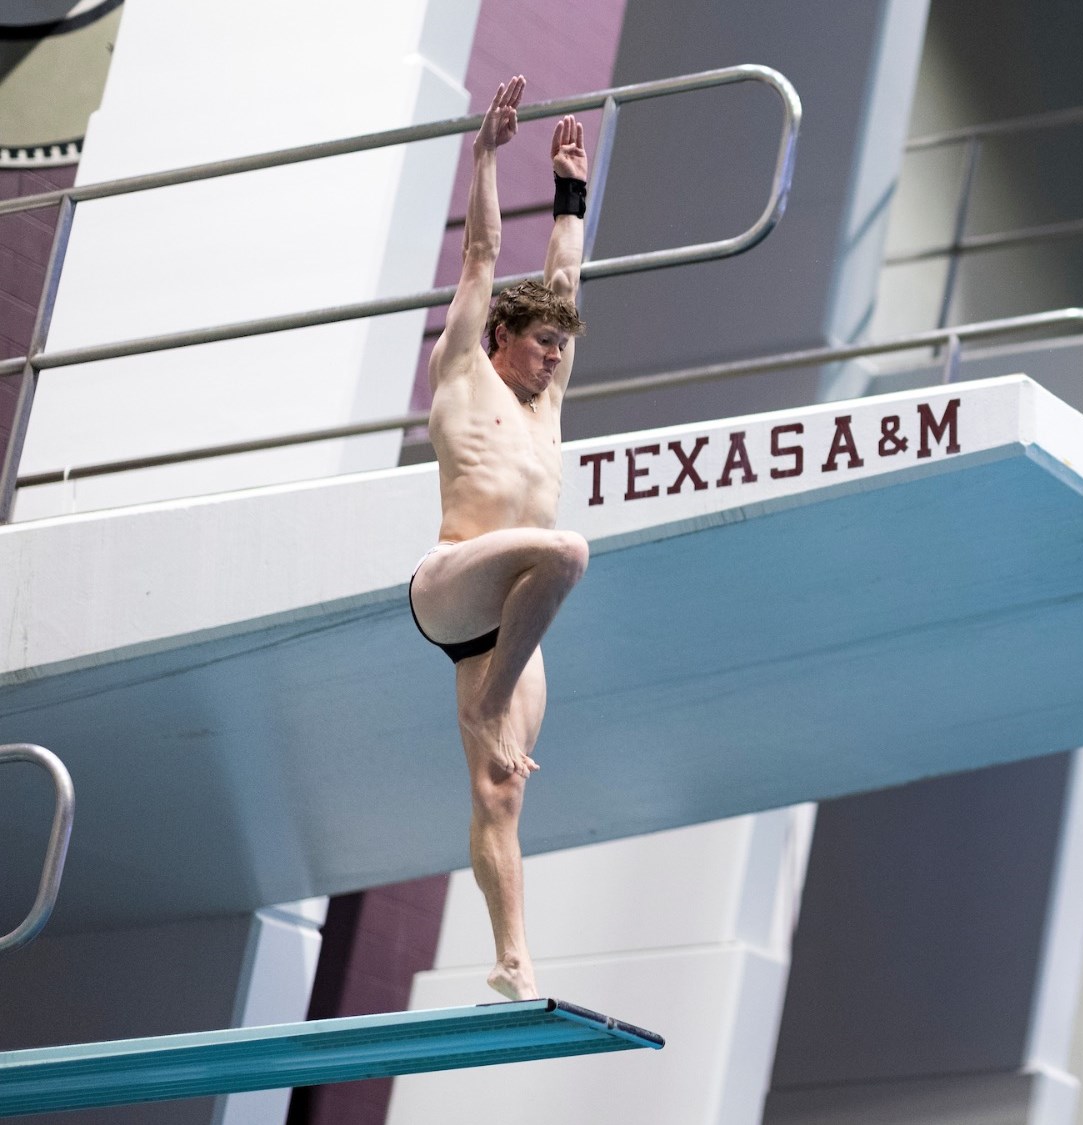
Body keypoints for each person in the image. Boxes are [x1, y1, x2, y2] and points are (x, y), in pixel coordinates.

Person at [407, 75, 591, 1001]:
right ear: (501, 338)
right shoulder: (464, 374)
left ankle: (513, 959)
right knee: (566, 550)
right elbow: (484, 254)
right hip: (451, 585)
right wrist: (488, 153)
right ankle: (489, 709)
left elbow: (565, 280)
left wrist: (571, 192)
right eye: (543, 342)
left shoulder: (546, 404)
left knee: (501, 794)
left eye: (564, 346)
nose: (555, 356)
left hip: (506, 633)